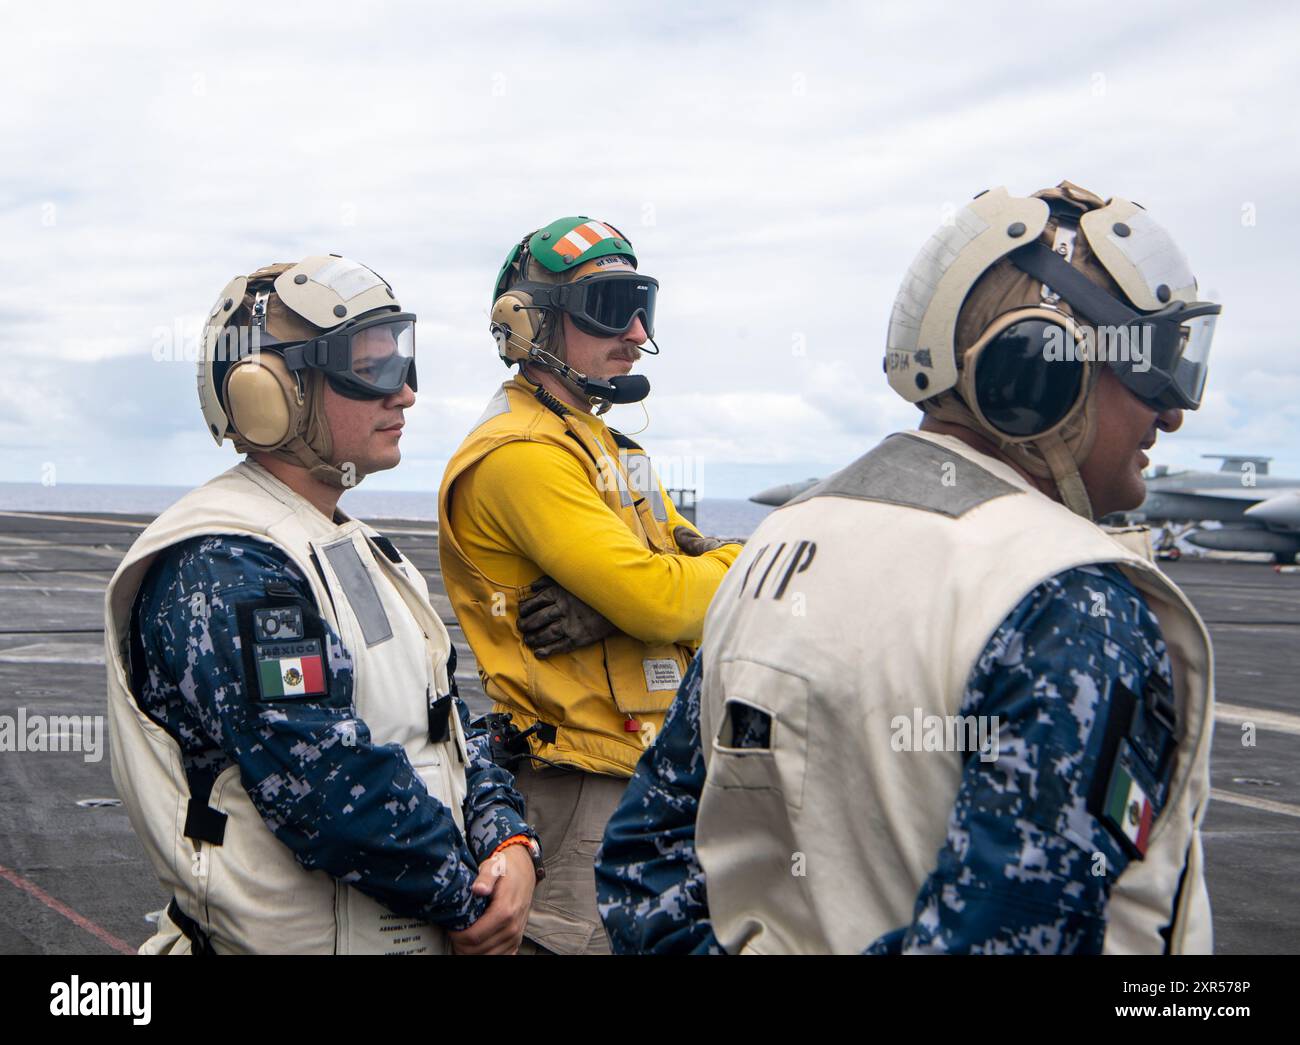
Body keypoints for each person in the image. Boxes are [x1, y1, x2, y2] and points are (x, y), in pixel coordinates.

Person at [596, 182, 1220, 954]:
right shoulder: (1067, 597)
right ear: (1038, 370)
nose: (1172, 411)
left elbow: (641, 862)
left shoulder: (772, 552)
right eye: (1154, 364)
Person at [105, 255, 541, 955]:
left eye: (401, 363)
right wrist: (473, 899)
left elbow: (445, 730)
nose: (403, 395)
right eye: (370, 369)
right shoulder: (226, 561)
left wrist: (511, 843)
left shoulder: (355, 549)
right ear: (269, 392)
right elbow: (326, 785)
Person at [438, 217, 742, 953]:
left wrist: (632, 608)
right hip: (578, 792)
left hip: (644, 776)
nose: (636, 332)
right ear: (529, 321)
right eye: (609, 306)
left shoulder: (612, 448)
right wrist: (705, 575)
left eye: (644, 307)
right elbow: (665, 597)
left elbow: (703, 608)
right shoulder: (524, 455)